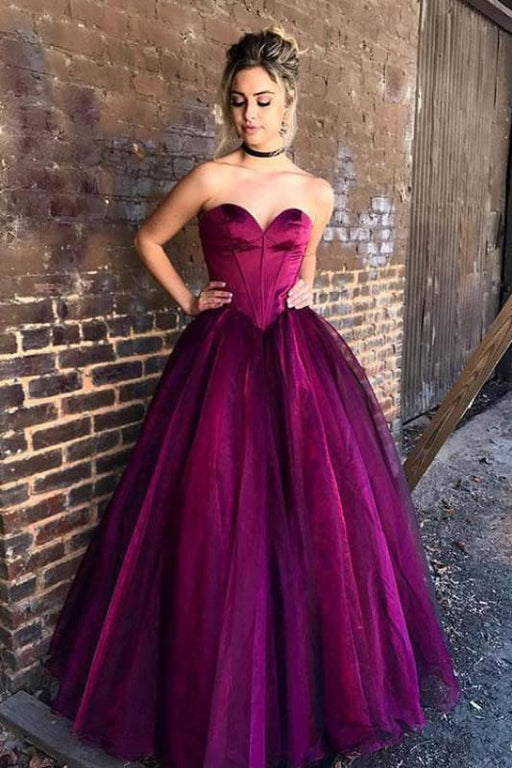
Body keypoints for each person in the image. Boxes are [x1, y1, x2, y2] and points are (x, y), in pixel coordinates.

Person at [44, 25, 461, 768]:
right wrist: (188, 300)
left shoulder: (316, 192)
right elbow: (148, 239)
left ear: (289, 103)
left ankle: (305, 693)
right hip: (220, 361)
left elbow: (307, 267)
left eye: (264, 101)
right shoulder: (211, 178)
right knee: (211, 512)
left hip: (298, 365)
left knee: (310, 516)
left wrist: (305, 291)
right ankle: (209, 695)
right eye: (239, 100)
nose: (250, 114)